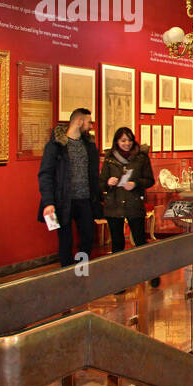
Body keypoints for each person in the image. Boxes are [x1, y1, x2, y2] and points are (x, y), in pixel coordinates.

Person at [38, 108, 101, 268]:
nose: (91, 126)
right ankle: (67, 274)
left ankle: (81, 270)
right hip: (63, 200)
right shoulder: (55, 146)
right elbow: (46, 175)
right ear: (79, 122)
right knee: (65, 240)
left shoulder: (89, 146)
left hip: (85, 200)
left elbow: (94, 174)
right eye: (89, 122)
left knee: (87, 238)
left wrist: (98, 197)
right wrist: (48, 202)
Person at [100, 126, 158, 286]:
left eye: (129, 140)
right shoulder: (110, 158)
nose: (126, 143)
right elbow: (101, 183)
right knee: (117, 244)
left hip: (133, 203)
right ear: (117, 142)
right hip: (114, 205)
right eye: (123, 140)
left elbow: (149, 179)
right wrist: (108, 183)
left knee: (140, 240)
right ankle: (119, 281)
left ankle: (152, 274)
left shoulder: (141, 158)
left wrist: (136, 183)